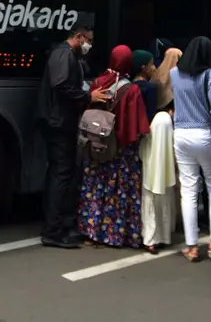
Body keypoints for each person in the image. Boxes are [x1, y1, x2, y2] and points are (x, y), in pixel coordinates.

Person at [37, 25, 108, 249]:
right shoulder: (63, 55)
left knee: (61, 173)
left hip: (61, 122)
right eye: (88, 41)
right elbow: (61, 85)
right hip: (59, 123)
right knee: (61, 174)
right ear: (78, 37)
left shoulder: (67, 56)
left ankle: (58, 224)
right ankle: (53, 231)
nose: (89, 46)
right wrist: (88, 96)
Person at [78, 47, 152, 248]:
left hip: (97, 146)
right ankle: (115, 235)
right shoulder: (132, 89)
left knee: (95, 188)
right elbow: (136, 126)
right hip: (120, 151)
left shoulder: (98, 83)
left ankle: (91, 231)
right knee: (118, 191)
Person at [170, 35, 211, 262]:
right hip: (204, 133)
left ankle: (192, 246)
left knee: (189, 190)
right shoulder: (209, 75)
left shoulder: (174, 73)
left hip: (180, 134)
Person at [142, 56, 179, 253]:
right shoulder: (167, 117)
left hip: (150, 153)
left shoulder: (152, 87)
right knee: (165, 195)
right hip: (166, 154)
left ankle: (150, 237)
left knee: (151, 195)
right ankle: (164, 235)